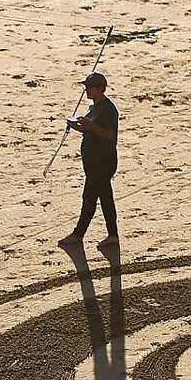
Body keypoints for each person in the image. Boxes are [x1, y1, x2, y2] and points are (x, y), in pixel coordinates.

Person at [58, 71, 118, 249]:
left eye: (89, 87)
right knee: (105, 198)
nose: (86, 90)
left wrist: (89, 124)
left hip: (103, 162)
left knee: (89, 198)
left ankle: (78, 234)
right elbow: (90, 131)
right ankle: (112, 235)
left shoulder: (109, 109)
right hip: (93, 162)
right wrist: (76, 126)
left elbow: (109, 135)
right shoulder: (94, 108)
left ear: (100, 88)